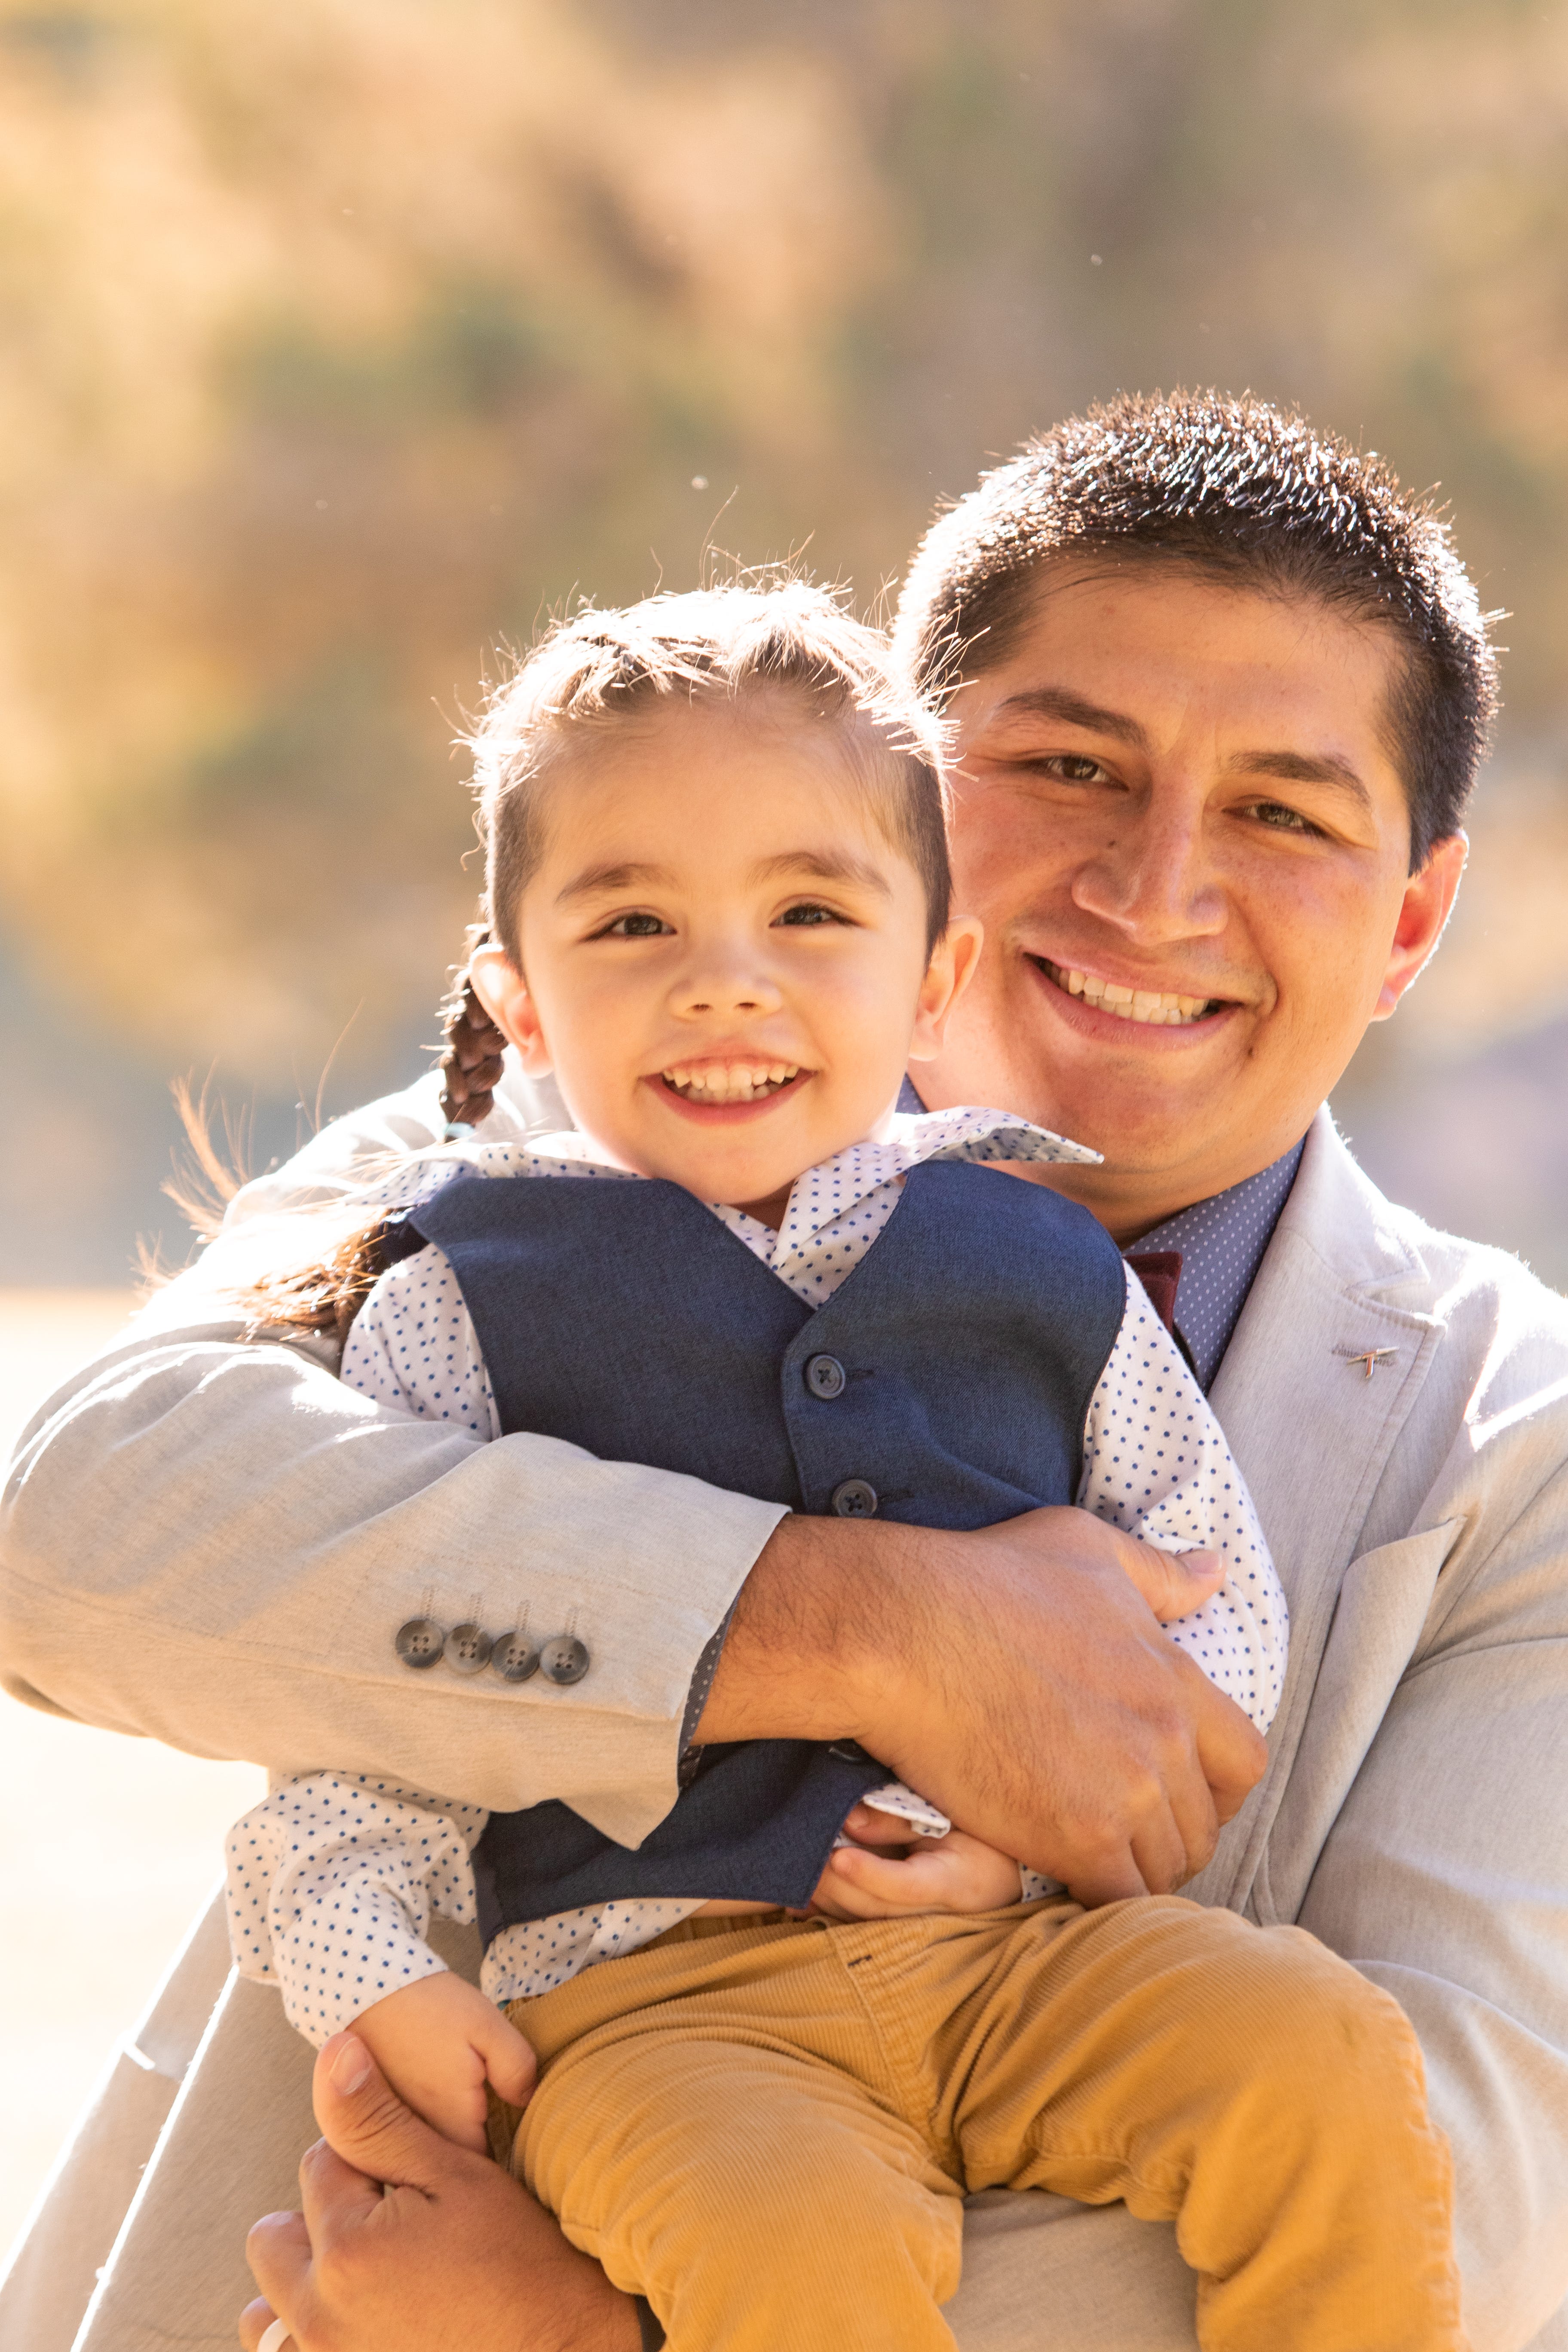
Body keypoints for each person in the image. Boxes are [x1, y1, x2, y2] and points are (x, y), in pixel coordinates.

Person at [2, 392, 1565, 2352]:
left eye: (1284, 809)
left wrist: (605, 2340)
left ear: (1414, 915)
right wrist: (837, 1627)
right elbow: (69, 1538)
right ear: (906, 782)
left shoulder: (1523, 1449)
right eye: (1070, 765)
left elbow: (1468, 2211)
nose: (1156, 887)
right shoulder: (522, 1161)